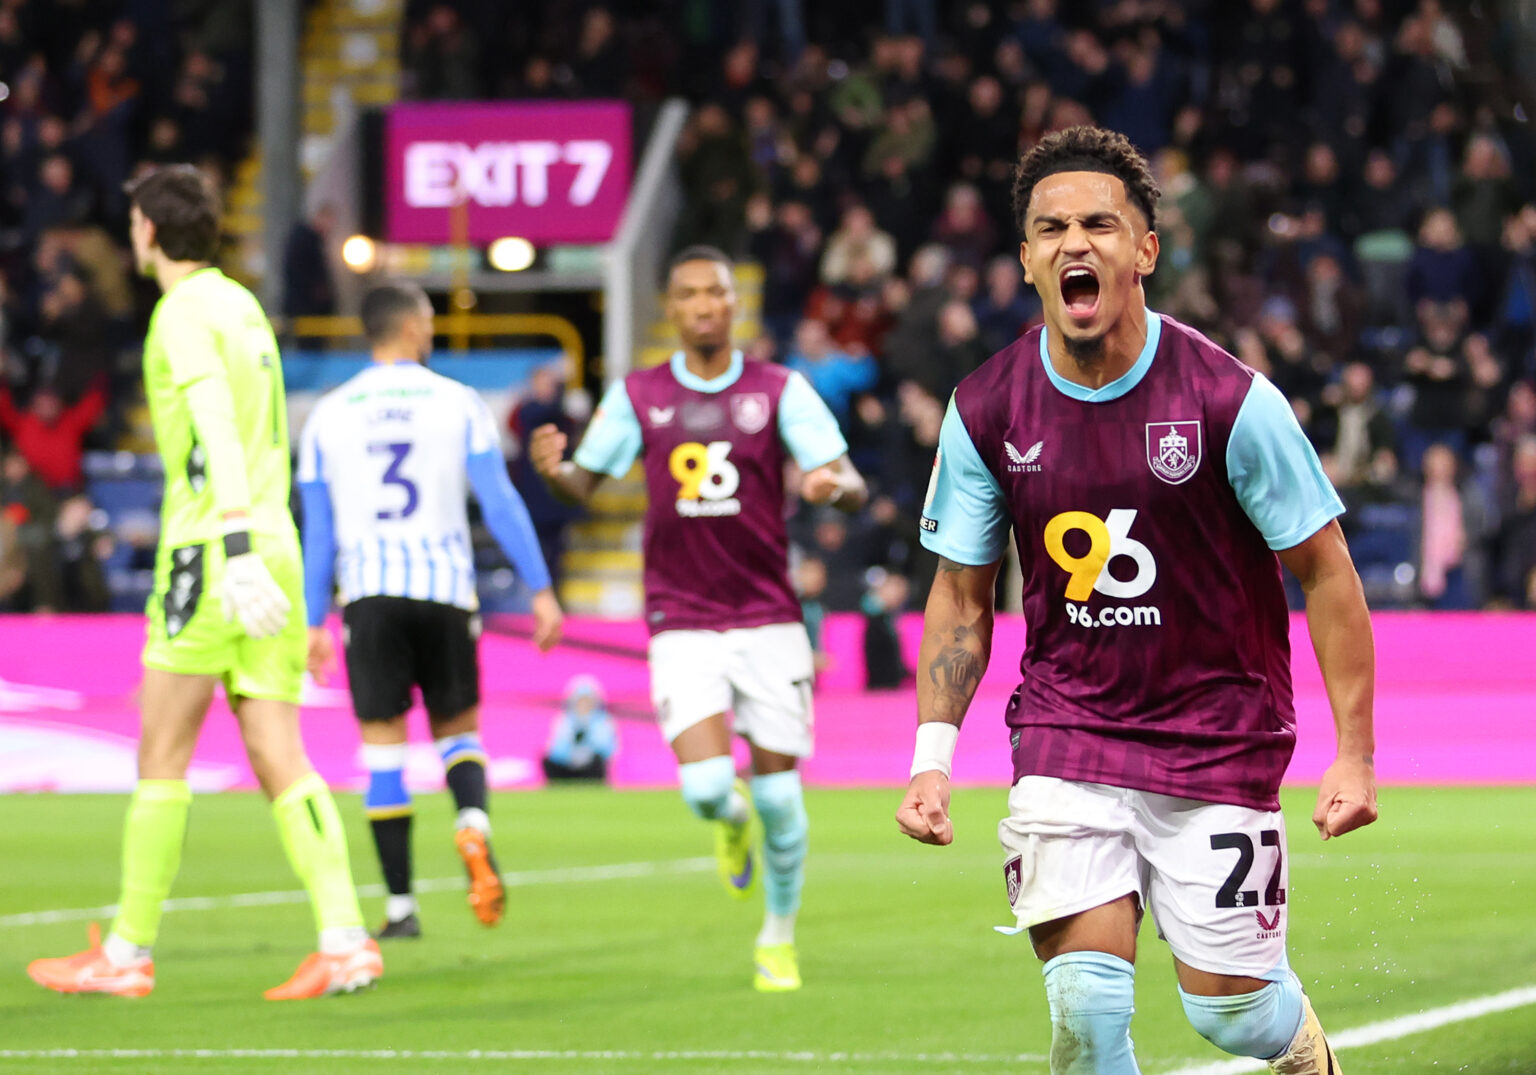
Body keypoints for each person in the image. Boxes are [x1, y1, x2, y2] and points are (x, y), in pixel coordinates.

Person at [896, 127, 1378, 1075]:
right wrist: (932, 758)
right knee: (1085, 1003)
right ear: (1027, 257)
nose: (1076, 242)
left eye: (1100, 224)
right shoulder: (986, 408)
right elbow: (959, 590)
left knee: (1230, 1017)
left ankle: (1302, 1046)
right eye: (1051, 228)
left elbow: (1326, 572)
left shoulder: (1230, 400)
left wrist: (1354, 755)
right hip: (1068, 733)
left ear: (1145, 250)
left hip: (1218, 735)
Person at [27, 165, 382, 1001]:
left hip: (214, 550)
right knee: (279, 752)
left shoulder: (181, 313)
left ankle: (125, 952)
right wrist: (259, 541)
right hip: (275, 543)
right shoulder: (242, 305)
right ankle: (345, 938)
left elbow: (216, 422)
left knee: (162, 753)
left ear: (150, 228)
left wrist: (230, 541)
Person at [531, 245, 868, 992]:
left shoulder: (779, 389)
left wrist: (828, 485)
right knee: (709, 787)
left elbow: (848, 480)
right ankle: (728, 821)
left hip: (768, 615)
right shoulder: (639, 393)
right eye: (690, 294)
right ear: (672, 309)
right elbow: (584, 482)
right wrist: (556, 473)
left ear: (732, 302)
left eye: (717, 290)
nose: (707, 304)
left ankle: (777, 937)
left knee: (782, 793)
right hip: (681, 619)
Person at [298, 282, 563, 940]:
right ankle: (472, 826)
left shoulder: (329, 414)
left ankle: (399, 909)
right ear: (414, 327)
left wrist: (312, 620)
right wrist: (540, 586)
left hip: (370, 595)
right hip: (445, 589)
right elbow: (498, 500)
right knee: (459, 732)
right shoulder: (458, 402)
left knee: (384, 754)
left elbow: (319, 532)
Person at [542, 674, 618, 782]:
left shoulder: (603, 721)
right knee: (547, 762)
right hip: (568, 765)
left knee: (598, 763)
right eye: (580, 701)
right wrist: (571, 755)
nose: (583, 705)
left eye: (587, 701)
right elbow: (556, 749)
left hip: (590, 767)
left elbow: (607, 749)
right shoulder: (565, 721)